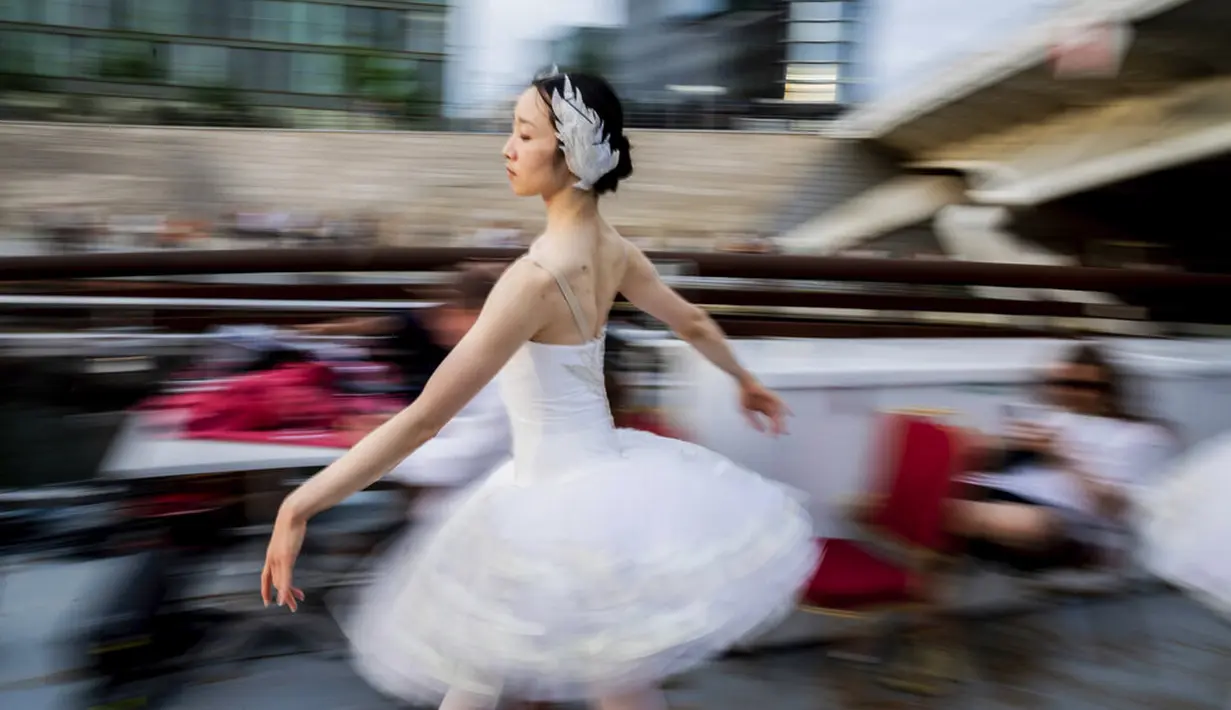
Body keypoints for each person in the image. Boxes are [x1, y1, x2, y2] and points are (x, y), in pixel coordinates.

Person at [260, 70, 816, 710]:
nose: (507, 148)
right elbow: (688, 320)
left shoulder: (531, 282)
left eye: (524, 134)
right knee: (591, 675)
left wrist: (300, 504)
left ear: (571, 151)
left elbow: (424, 420)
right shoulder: (613, 249)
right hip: (607, 485)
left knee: (510, 672)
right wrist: (744, 380)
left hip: (546, 500)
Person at [948, 342, 1175, 570]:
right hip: (1007, 493)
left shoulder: (1144, 436)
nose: (1070, 393)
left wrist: (1062, 457)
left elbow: (1117, 509)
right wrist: (1006, 446)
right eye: (1062, 384)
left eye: (1084, 386)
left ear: (1110, 389)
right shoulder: (1057, 418)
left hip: (1072, 526)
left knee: (957, 512)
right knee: (942, 475)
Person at [297, 263, 503, 398]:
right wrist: (322, 329)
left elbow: (373, 325)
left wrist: (323, 330)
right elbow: (374, 325)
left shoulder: (432, 319)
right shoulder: (425, 320)